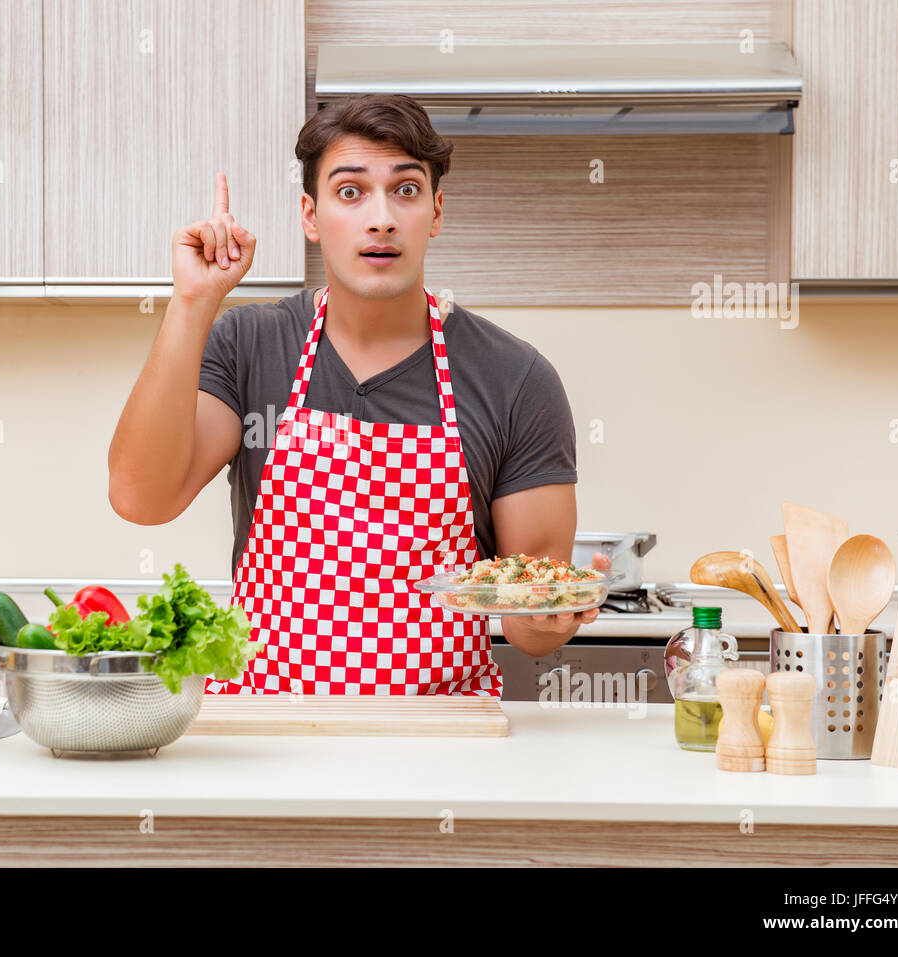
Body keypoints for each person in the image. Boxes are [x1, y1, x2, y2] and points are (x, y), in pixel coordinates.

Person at [109, 93, 609, 696]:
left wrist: (549, 614)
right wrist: (193, 303)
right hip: (264, 737)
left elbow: (527, 626)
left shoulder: (516, 378)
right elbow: (142, 498)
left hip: (440, 743)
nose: (382, 219)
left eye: (405, 190)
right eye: (350, 192)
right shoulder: (249, 345)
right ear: (310, 216)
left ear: (437, 210)